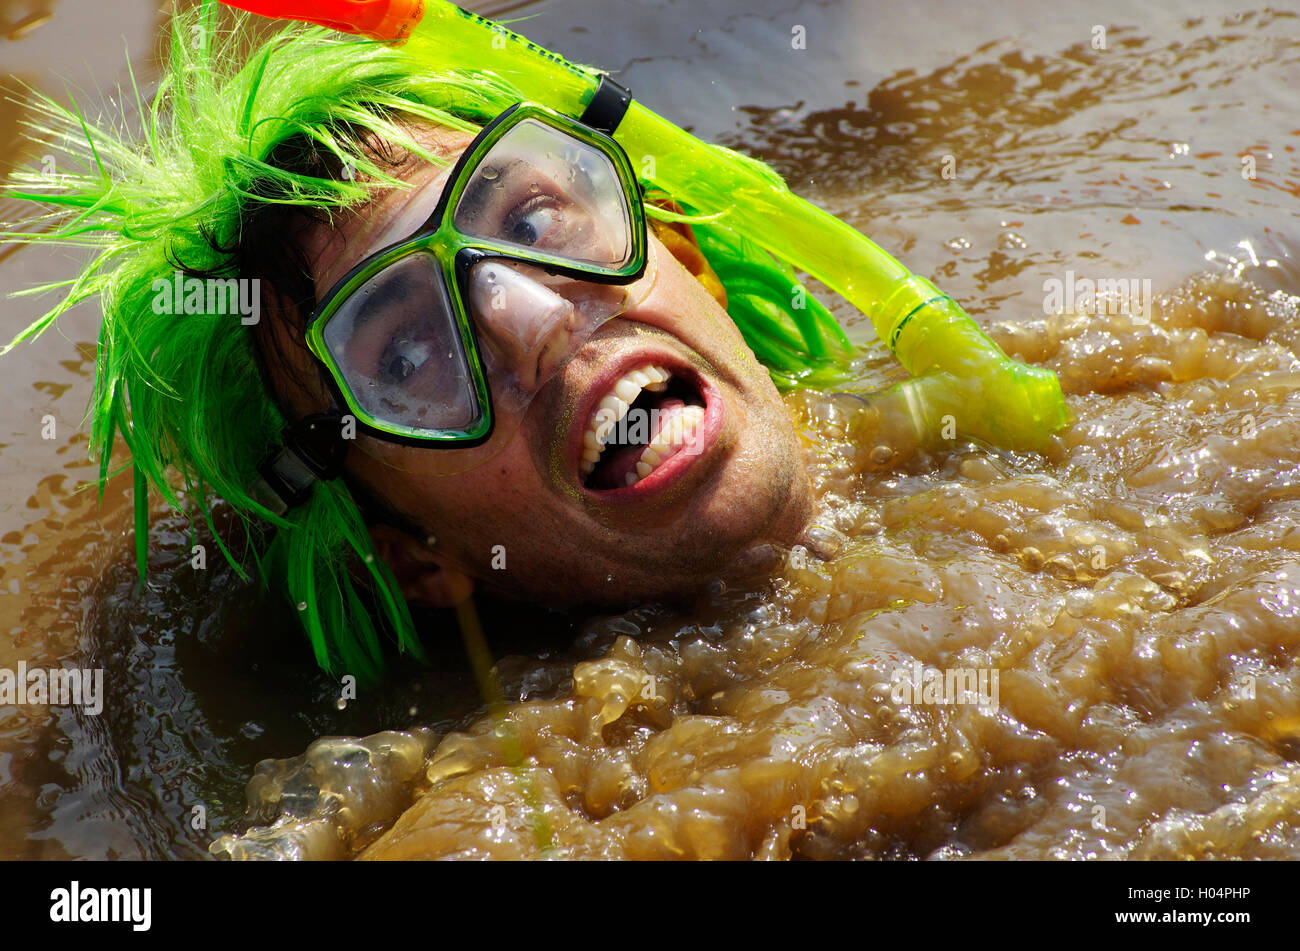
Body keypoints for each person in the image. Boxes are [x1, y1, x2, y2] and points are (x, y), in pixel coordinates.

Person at [3, 4, 1061, 680]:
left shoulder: (1122, 385)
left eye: (535, 221)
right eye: (408, 355)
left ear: (683, 252)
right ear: (417, 556)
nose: (535, 318)